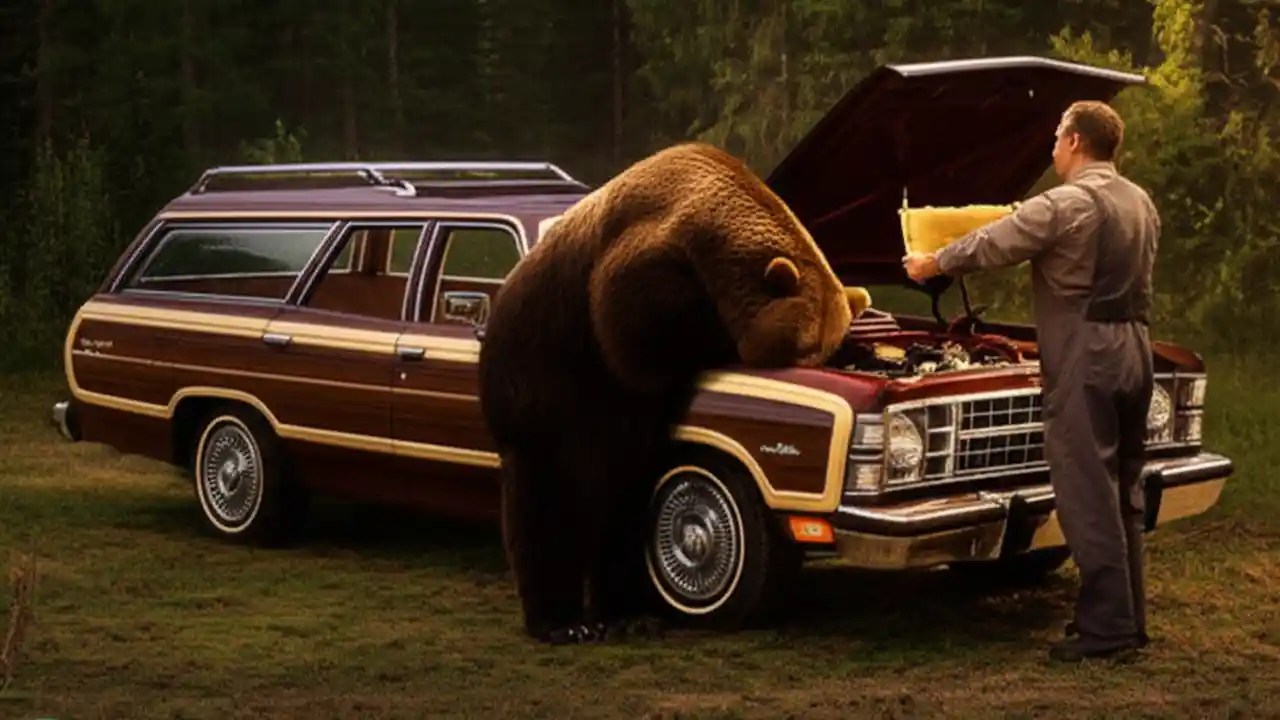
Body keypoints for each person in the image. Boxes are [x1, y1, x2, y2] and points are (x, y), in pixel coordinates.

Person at [903, 100, 1158, 663]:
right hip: (1137, 350)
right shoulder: (1139, 201)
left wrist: (933, 264)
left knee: (1086, 491)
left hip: (1083, 354)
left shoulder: (1066, 203)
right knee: (1124, 493)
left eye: (1055, 137)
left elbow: (995, 241)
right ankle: (1129, 619)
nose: (1051, 147)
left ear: (1073, 142)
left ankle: (1106, 631)